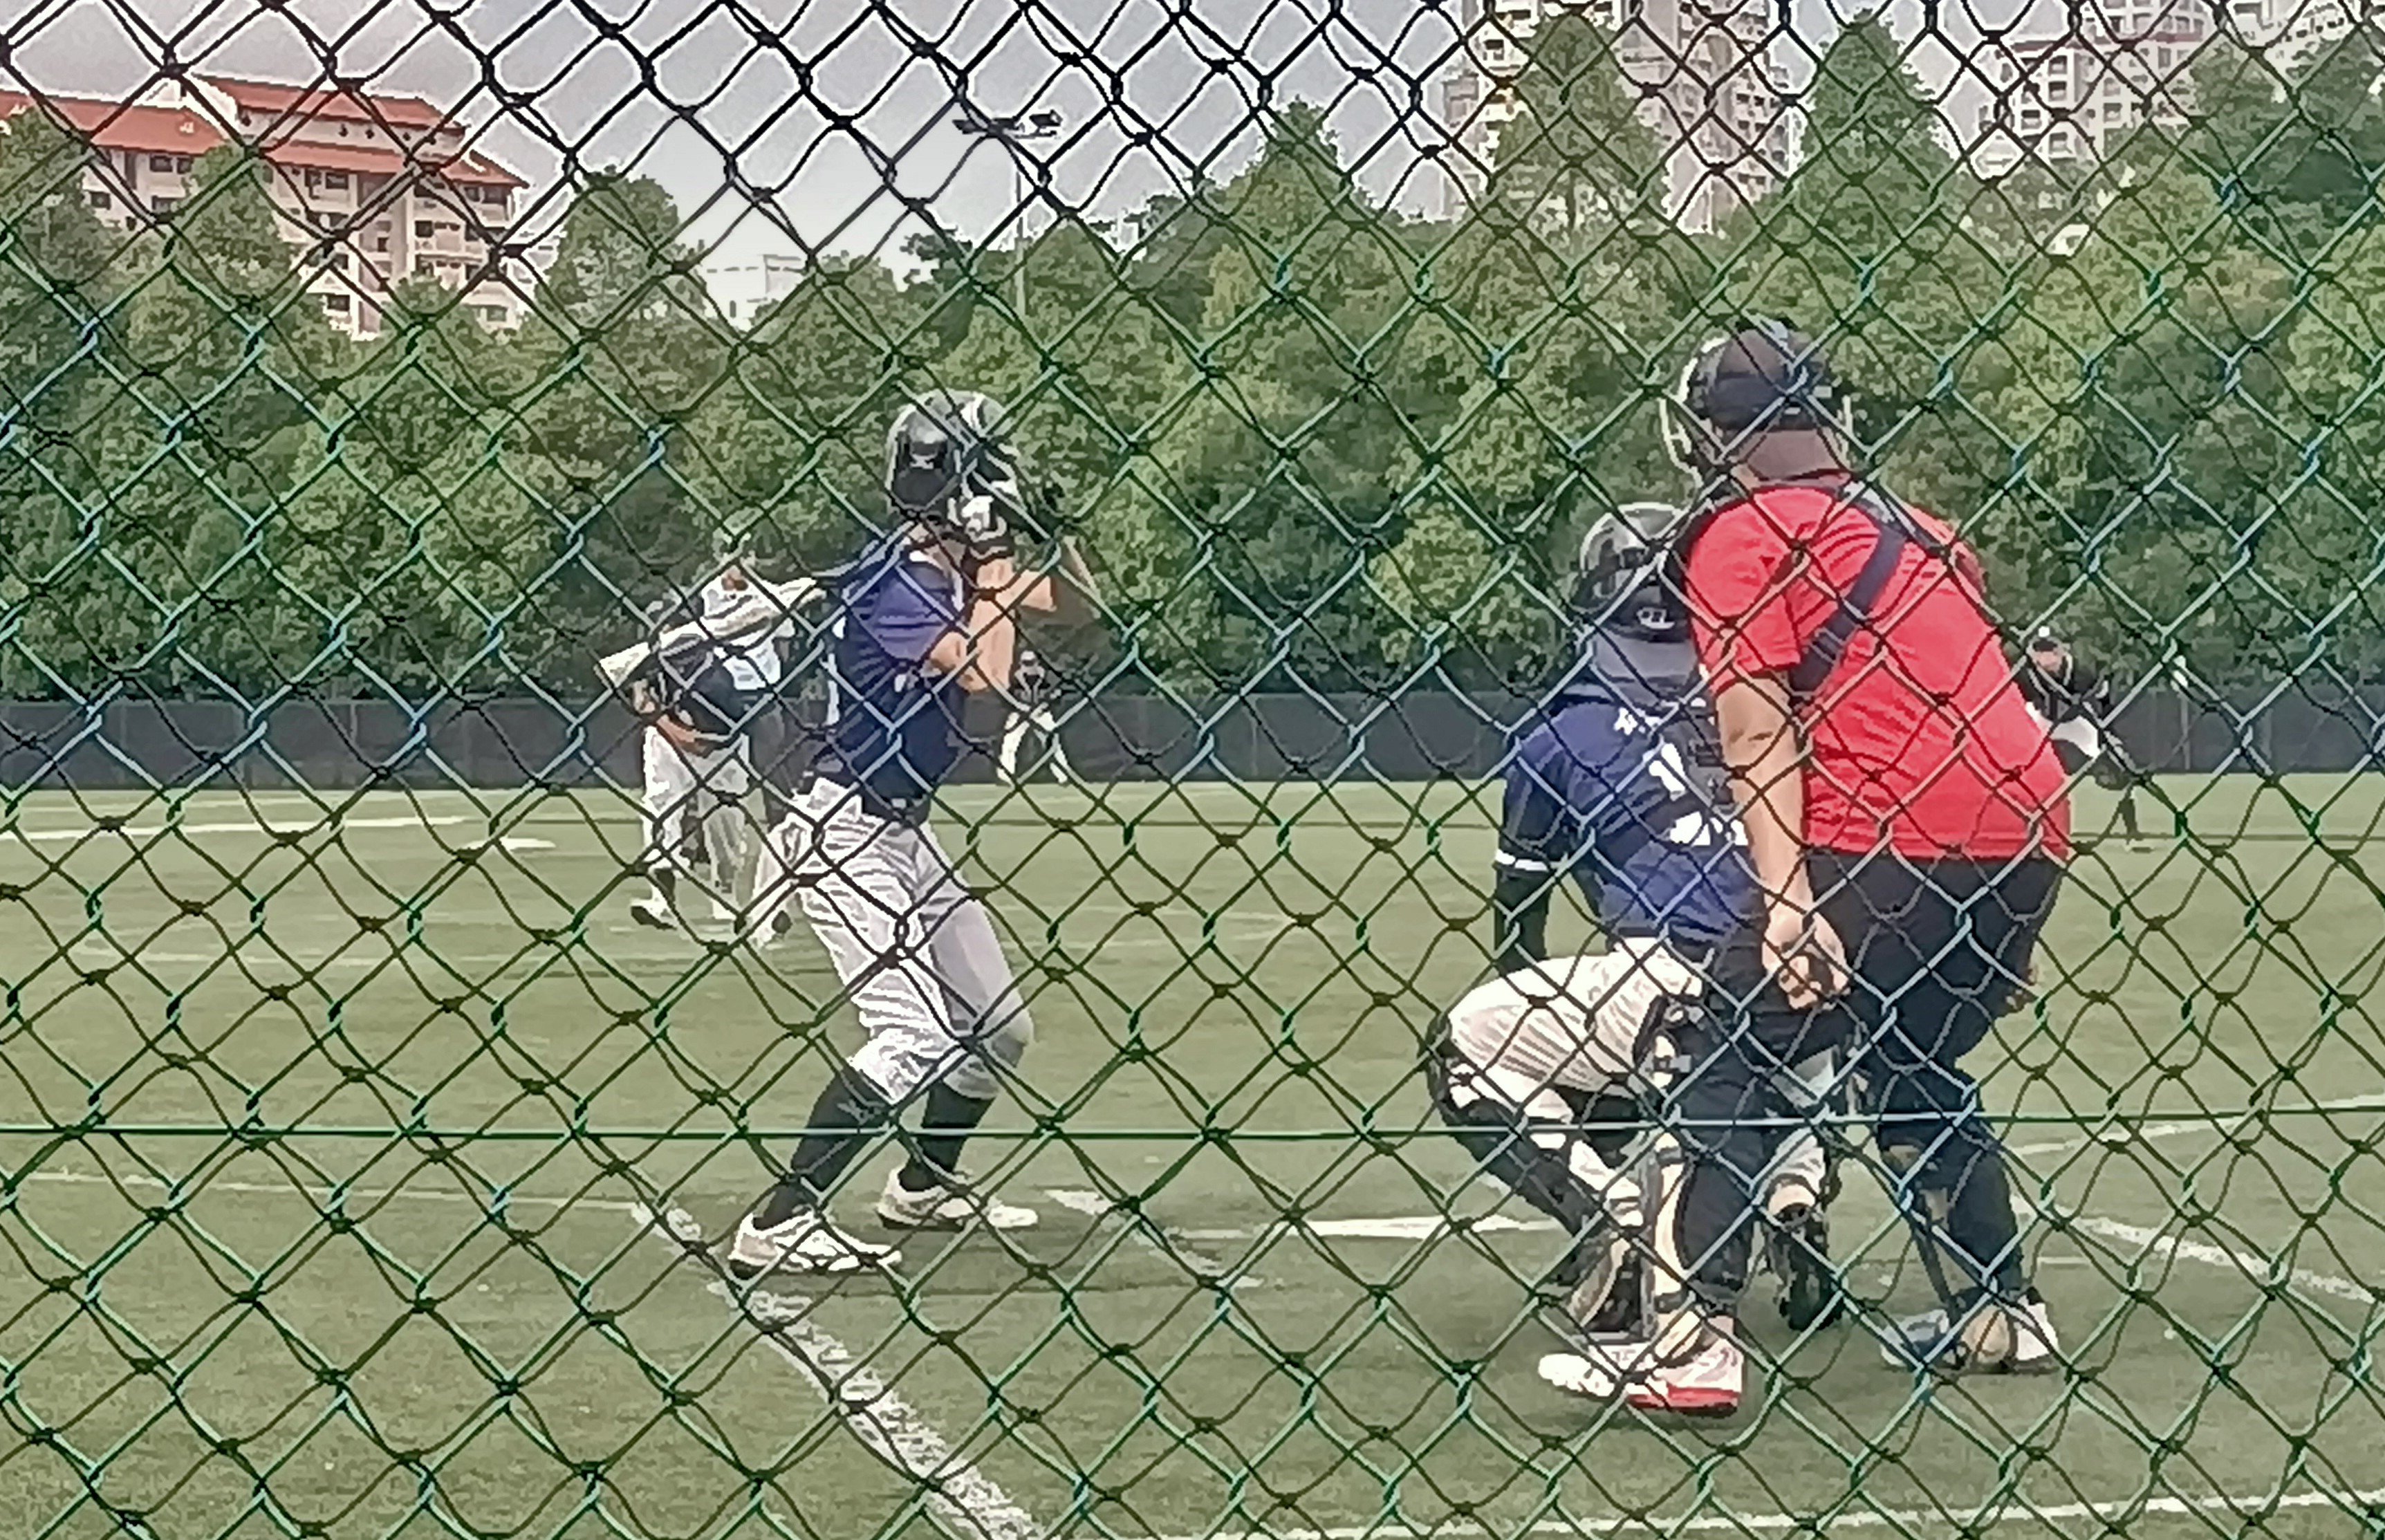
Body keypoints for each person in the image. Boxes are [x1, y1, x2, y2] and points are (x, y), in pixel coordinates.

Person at [1550, 322, 2071, 1409]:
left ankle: (1691, 1337)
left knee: (1726, 1044)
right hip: (2023, 830)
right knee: (1914, 1056)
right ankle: (1999, 1308)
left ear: (1711, 435)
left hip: (1890, 826)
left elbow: (1754, 729)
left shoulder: (1740, 537)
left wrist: (1788, 901)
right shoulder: (1921, 529)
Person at [1437, 505, 1836, 1417]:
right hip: (1793, 958)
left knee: (1471, 1044)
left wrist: (1526, 974)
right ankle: (1794, 1186)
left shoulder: (1561, 727)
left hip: (1659, 973)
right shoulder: (1765, 697)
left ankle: (1608, 1204)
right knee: (1786, 1045)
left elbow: (1520, 914)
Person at [728, 390, 1067, 1279]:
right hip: (844, 831)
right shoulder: (903, 585)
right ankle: (779, 1221)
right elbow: (989, 679)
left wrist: (1048, 539)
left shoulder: (933, 570)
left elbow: (1079, 605)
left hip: (905, 833)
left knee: (1000, 1028)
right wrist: (993, 559)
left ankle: (922, 1183)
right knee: (911, 1034)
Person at [624, 600, 757, 932]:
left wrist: (667, 725)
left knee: (725, 826)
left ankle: (725, 896)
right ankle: (661, 899)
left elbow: (708, 741)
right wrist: (658, 718)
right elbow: (641, 700)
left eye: (672, 629)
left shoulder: (716, 680)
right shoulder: (648, 662)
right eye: (659, 629)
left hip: (718, 750)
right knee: (659, 807)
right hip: (666, 737)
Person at [2019, 630, 2146, 849]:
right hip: (2043, 720)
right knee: (2020, 767)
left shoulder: (2081, 672)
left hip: (2076, 722)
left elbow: (2104, 696)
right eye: (2040, 651)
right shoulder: (2025, 673)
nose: (2046, 657)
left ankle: (2132, 833)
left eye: (2051, 650)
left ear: (2062, 650)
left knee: (2119, 766)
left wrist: (2109, 732)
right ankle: (2024, 831)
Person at [997, 646, 1077, 784]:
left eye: (1030, 663)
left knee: (1053, 742)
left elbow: (1057, 692)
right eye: (1024, 663)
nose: (1027, 666)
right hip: (1020, 712)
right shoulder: (1014, 677)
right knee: (1010, 742)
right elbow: (1006, 696)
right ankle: (1006, 775)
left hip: (1041, 712)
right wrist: (1019, 706)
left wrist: (1045, 705)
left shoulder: (1047, 676)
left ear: (1037, 662)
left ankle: (1063, 775)